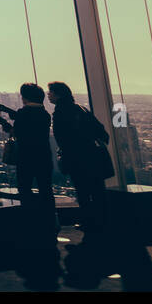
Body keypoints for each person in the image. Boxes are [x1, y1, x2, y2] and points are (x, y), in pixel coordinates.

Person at [48, 81, 112, 234]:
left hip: (77, 159)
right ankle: (103, 221)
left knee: (83, 191)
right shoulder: (81, 109)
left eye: (50, 92)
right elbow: (101, 131)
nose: (48, 95)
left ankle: (88, 222)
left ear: (58, 94)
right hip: (93, 157)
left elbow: (62, 139)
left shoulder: (60, 112)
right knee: (97, 190)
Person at [0, 83, 54, 224]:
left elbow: (16, 132)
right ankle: (50, 220)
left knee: (25, 189)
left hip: (26, 157)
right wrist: (10, 111)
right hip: (43, 156)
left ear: (25, 96)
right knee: (46, 189)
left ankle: (30, 220)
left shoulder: (23, 113)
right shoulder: (45, 114)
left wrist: (2, 122)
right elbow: (29, 121)